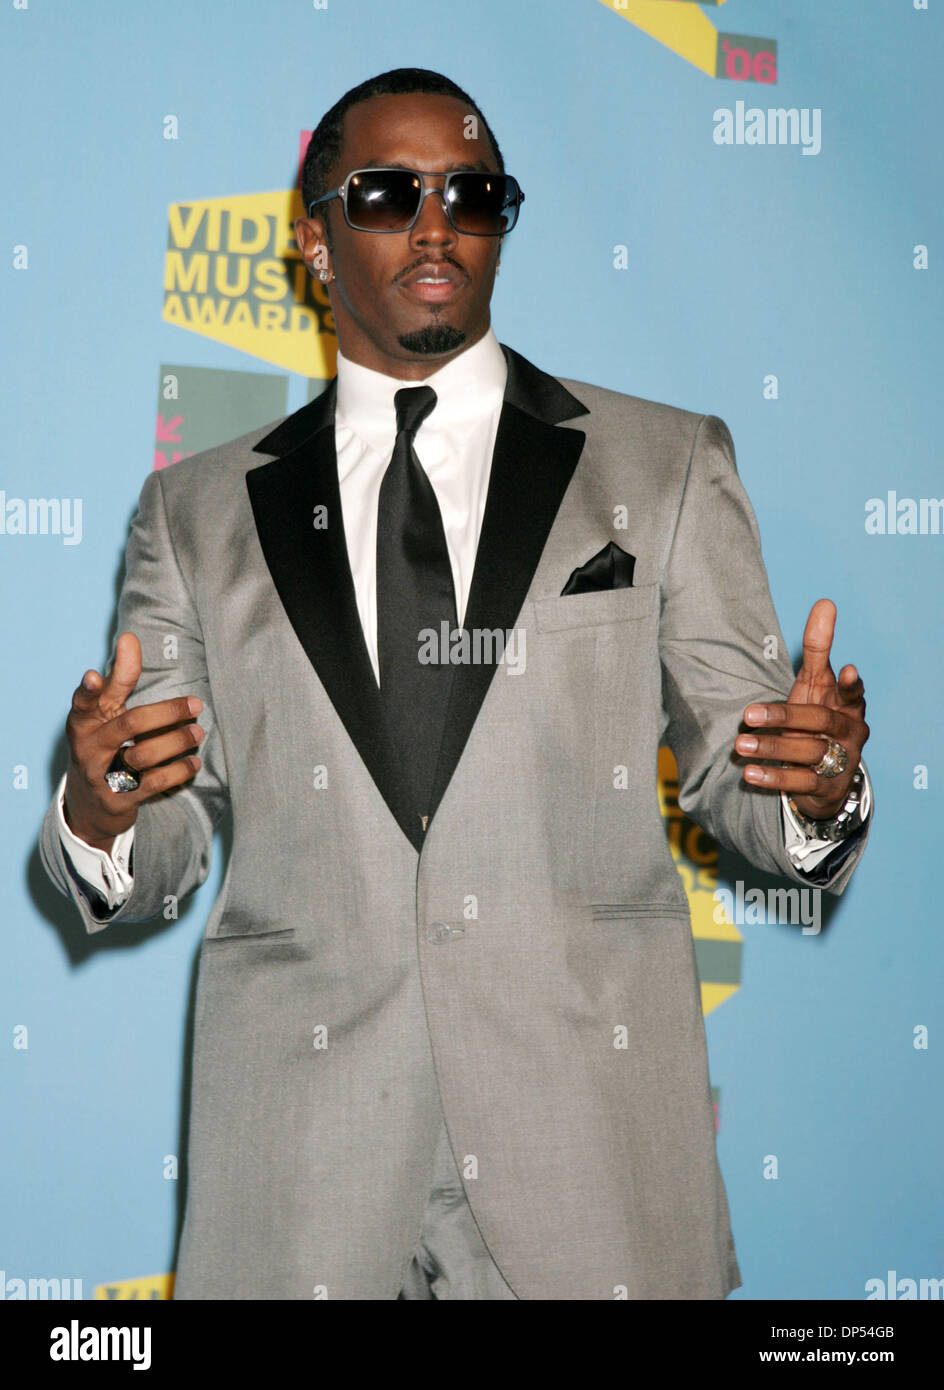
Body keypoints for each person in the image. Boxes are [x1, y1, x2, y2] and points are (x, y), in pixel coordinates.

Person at [39, 68, 872, 1300]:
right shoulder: (197, 510)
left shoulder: (666, 461)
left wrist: (813, 797)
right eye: (387, 192)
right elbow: (160, 824)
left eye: (473, 195)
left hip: (588, 1157)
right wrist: (102, 815)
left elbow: (738, 780)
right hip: (300, 1173)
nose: (437, 224)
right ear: (312, 238)